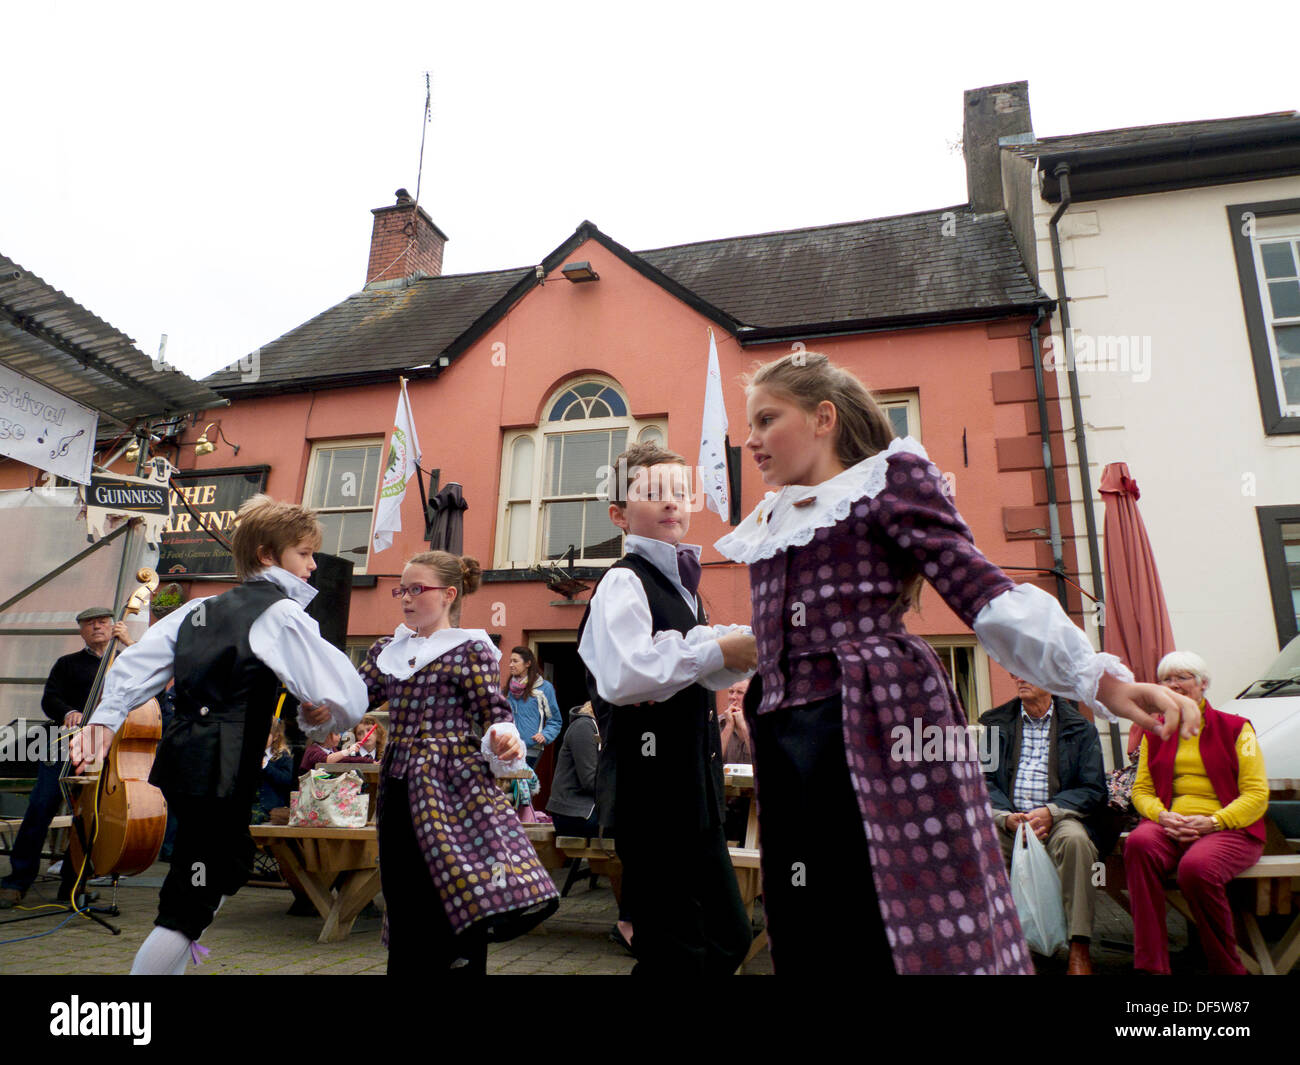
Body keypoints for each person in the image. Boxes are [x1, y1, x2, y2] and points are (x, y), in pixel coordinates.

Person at [714, 351, 1198, 974]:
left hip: (873, 713)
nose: (749, 441)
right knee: (807, 898)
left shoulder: (888, 479)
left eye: (766, 419)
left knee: (890, 897)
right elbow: (767, 635)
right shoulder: (772, 518)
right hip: (784, 728)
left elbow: (980, 590)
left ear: (823, 417)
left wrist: (1101, 680)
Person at [70, 494, 368, 975]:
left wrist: (104, 719)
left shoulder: (200, 608)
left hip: (187, 764)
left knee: (211, 877)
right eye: (305, 554)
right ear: (269, 556)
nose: (314, 566)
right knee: (193, 899)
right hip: (224, 769)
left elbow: (133, 667)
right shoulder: (282, 613)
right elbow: (348, 697)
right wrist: (321, 719)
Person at [577, 442, 758, 975]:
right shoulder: (622, 580)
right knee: (674, 946)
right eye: (653, 493)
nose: (672, 502)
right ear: (619, 513)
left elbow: (702, 661)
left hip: (695, 790)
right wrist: (716, 650)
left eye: (680, 491)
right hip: (650, 792)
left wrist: (740, 646)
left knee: (724, 935)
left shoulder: (687, 591)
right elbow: (626, 675)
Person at [358, 550, 558, 976]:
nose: (406, 598)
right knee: (402, 886)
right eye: (402, 590)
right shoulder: (387, 649)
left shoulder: (470, 649)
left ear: (449, 594)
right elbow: (354, 695)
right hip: (397, 782)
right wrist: (322, 704)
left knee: (452, 883)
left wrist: (505, 740)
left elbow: (494, 712)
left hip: (452, 785)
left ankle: (457, 963)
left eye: (417, 589)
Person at [1126, 651, 1266, 975]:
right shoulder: (1154, 730)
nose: (1174, 685)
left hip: (1228, 827)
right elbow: (1142, 790)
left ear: (1203, 684)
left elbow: (1257, 795)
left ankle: (1227, 968)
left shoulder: (1236, 728)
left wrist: (1214, 822)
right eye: (1166, 679)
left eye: (1183, 677)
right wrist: (1162, 816)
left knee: (1197, 868)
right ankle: (1151, 966)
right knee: (1138, 844)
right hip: (1171, 825)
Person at [0, 607, 132, 909]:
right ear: (81, 631)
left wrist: (131, 644)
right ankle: (16, 881)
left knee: (90, 817)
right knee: (40, 806)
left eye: (102, 622)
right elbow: (50, 699)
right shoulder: (67, 663)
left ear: (114, 627)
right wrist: (68, 712)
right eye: (89, 623)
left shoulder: (128, 662)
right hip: (62, 742)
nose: (97, 627)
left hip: (105, 747)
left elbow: (155, 693)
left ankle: (75, 885)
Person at [981, 673, 1108, 974]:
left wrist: (1052, 812)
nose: (1019, 678)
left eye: (1030, 671)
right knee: (980, 846)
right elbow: (983, 781)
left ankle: (1079, 947)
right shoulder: (993, 725)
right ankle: (997, 945)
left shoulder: (1080, 729)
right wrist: (1005, 818)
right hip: (1009, 818)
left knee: (1076, 843)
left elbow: (1093, 789)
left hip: (1059, 818)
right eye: (1015, 671)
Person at [546, 702, 600, 838]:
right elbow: (589, 781)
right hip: (573, 812)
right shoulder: (584, 727)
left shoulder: (597, 729)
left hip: (584, 810)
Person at [505, 648, 560, 768]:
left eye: (515, 661)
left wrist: (545, 735)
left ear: (528, 663)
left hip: (531, 748)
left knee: (521, 783)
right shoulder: (507, 690)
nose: (511, 665)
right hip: (507, 747)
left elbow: (555, 720)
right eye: (510, 661)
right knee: (507, 785)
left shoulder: (545, 688)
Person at [251, 718, 294, 825]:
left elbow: (286, 780)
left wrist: (266, 766)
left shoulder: (283, 757)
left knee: (253, 818)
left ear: (275, 736)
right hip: (253, 803)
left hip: (270, 807)